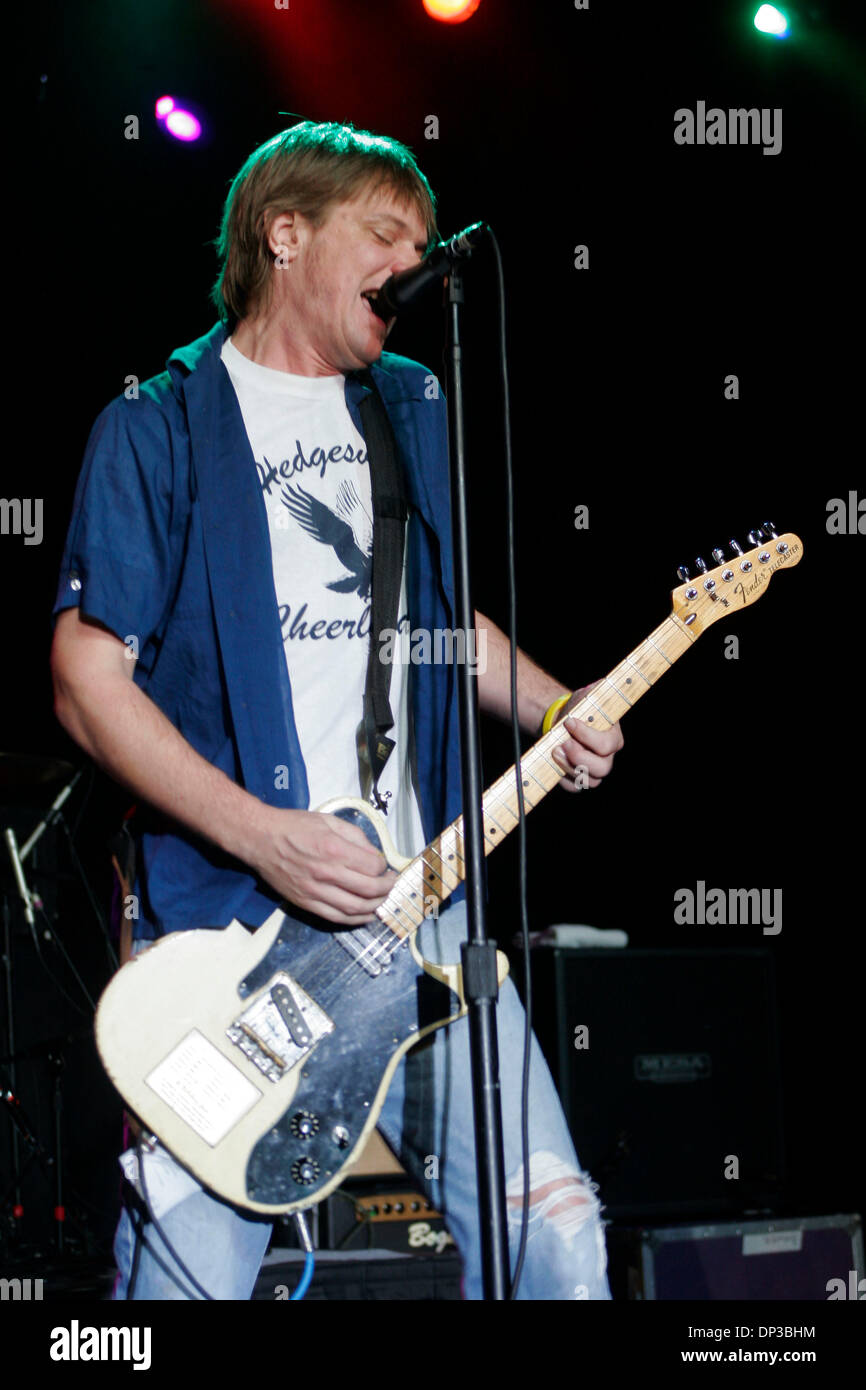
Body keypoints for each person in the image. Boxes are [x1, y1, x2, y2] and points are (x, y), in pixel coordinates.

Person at [50, 120, 623, 1300]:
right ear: (285, 232)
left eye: (422, 241)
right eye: (385, 235)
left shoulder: (407, 405)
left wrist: (560, 704)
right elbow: (85, 677)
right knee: (184, 1290)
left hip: (422, 924)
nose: (413, 265)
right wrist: (262, 836)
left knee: (558, 1237)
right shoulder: (157, 423)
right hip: (231, 942)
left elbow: (440, 628)